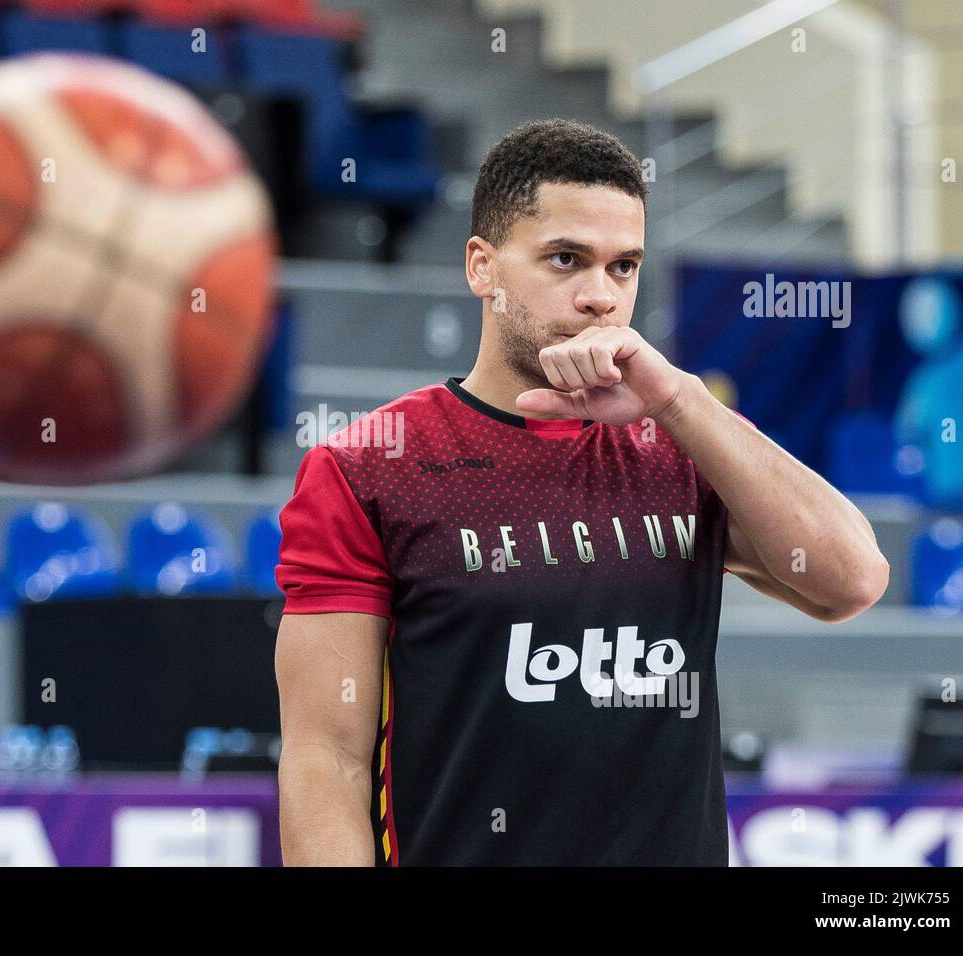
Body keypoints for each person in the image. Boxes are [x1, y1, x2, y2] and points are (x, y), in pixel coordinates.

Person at [274, 119, 889, 866]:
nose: (601, 296)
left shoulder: (685, 442)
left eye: (624, 267)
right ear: (482, 267)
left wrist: (681, 401)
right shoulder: (371, 465)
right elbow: (325, 764)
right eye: (566, 259)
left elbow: (850, 581)